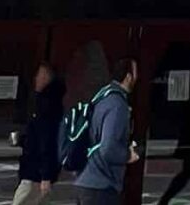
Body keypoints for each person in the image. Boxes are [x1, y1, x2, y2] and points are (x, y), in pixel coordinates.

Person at [73, 57, 139, 205]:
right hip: (101, 186)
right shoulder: (118, 105)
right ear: (128, 77)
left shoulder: (101, 98)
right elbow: (108, 148)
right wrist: (128, 155)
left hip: (85, 179)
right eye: (135, 74)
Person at [12, 62, 66, 205]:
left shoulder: (46, 107)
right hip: (38, 171)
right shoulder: (50, 105)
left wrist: (45, 175)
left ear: (47, 78)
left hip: (34, 172)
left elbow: (46, 142)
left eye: (40, 75)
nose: (36, 79)